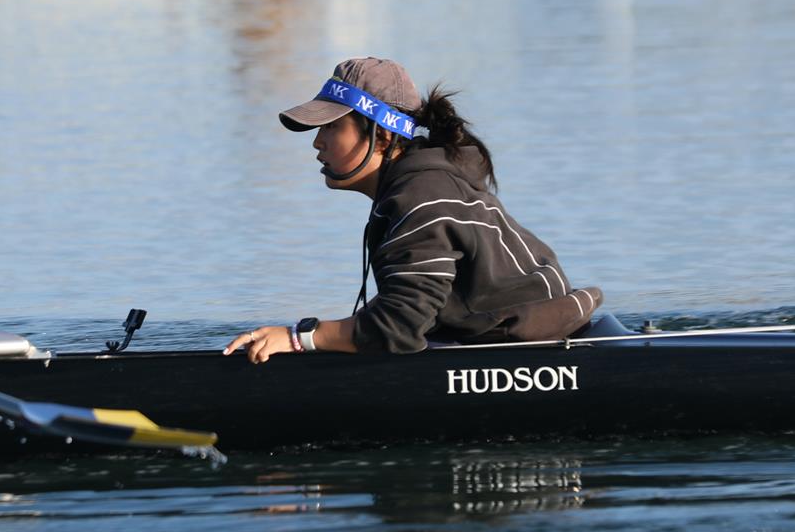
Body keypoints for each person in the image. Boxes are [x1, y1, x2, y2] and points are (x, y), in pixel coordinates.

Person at [225, 57, 600, 362]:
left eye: (333, 127)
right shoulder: (420, 186)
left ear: (383, 136)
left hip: (535, 351)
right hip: (516, 338)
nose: (317, 142)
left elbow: (398, 329)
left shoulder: (422, 197)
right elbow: (407, 313)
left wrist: (299, 337)